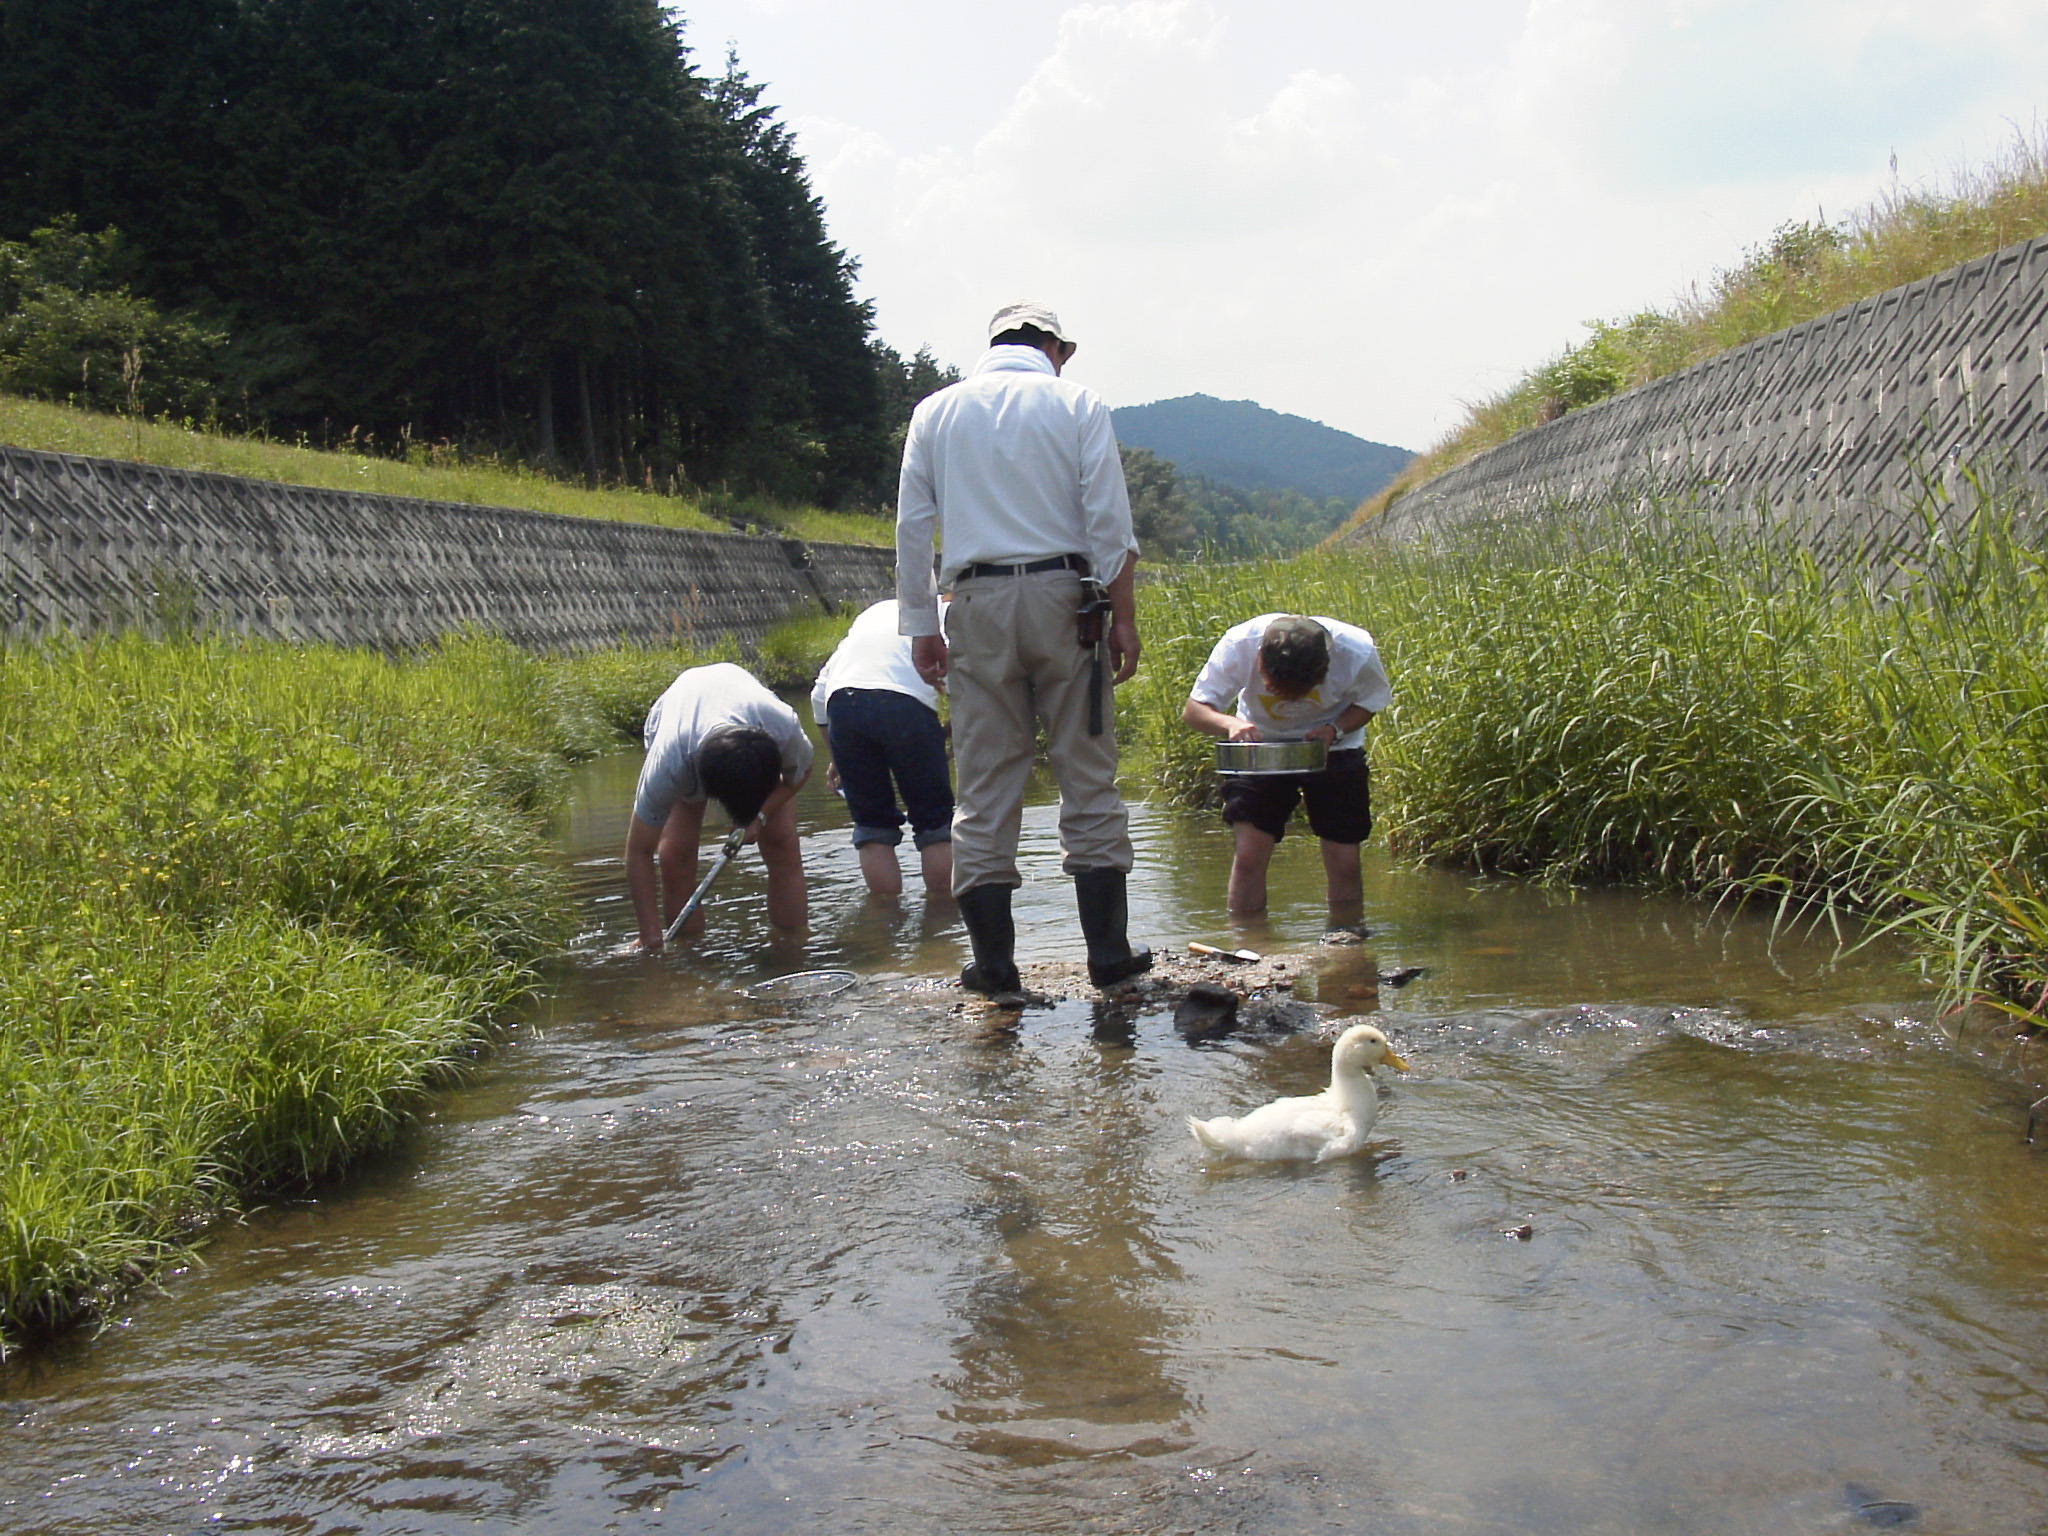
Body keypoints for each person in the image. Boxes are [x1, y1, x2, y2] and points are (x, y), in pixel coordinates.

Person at [895, 300, 1151, 994]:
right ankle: (1109, 959)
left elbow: (913, 528)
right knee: (1087, 774)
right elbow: (1108, 520)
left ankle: (996, 969)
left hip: (972, 600)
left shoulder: (935, 412)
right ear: (1051, 347)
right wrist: (1123, 618)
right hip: (1067, 600)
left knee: (982, 787)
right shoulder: (1077, 403)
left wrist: (921, 626)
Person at [1181, 613, 1393, 919]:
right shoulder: (1240, 642)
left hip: (1335, 746)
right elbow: (1194, 710)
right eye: (1277, 687)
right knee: (1250, 855)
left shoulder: (1356, 650)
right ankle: (1247, 944)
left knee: (1345, 858)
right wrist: (1230, 724)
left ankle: (1347, 938)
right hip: (1258, 748)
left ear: (1324, 669)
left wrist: (1335, 729)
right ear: (1260, 661)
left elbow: (1369, 702)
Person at [623, 661, 813, 952]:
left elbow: (801, 774)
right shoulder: (670, 763)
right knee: (675, 858)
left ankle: (793, 948)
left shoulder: (781, 724)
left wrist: (761, 816)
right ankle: (691, 956)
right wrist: (649, 934)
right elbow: (639, 851)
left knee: (781, 842)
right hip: (679, 719)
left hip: (744, 716)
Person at [811, 597, 955, 898]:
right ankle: (944, 919)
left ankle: (887, 920)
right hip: (905, 706)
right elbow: (964, 686)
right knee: (935, 823)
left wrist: (838, 758)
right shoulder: (947, 616)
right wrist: (952, 731)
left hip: (843, 705)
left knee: (872, 825)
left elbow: (818, 696)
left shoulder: (873, 612)